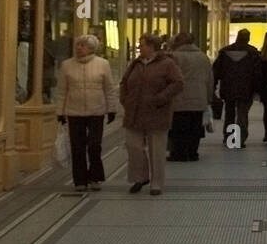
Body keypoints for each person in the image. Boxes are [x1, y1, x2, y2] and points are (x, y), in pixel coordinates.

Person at [119, 33, 184, 195]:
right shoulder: (136, 63)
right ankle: (139, 177)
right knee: (133, 147)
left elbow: (178, 83)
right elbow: (124, 82)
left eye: (142, 45)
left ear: (151, 47)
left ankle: (156, 183)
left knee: (157, 149)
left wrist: (161, 98)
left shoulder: (167, 64)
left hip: (157, 112)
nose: (139, 48)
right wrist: (125, 99)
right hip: (134, 112)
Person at [56, 35, 117, 192]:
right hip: (74, 112)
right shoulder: (67, 65)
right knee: (77, 147)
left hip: (96, 111)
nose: (78, 48)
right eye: (77, 45)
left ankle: (95, 176)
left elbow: (109, 89)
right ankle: (80, 180)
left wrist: (112, 109)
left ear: (91, 48)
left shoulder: (103, 64)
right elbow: (62, 91)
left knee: (94, 145)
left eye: (82, 45)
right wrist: (60, 112)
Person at [169, 31, 214, 161]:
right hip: (199, 98)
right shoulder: (203, 57)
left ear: (179, 42)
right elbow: (210, 78)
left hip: (179, 99)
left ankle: (180, 153)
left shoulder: (174, 57)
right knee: (195, 127)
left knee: (179, 128)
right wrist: (209, 97)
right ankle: (193, 152)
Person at [212, 29, 261, 147]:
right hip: (246, 89)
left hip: (228, 88)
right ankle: (239, 140)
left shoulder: (225, 52)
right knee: (242, 114)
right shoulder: (253, 53)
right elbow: (258, 73)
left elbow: (216, 71)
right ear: (248, 38)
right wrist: (258, 89)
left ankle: (229, 138)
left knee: (229, 113)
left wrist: (213, 86)